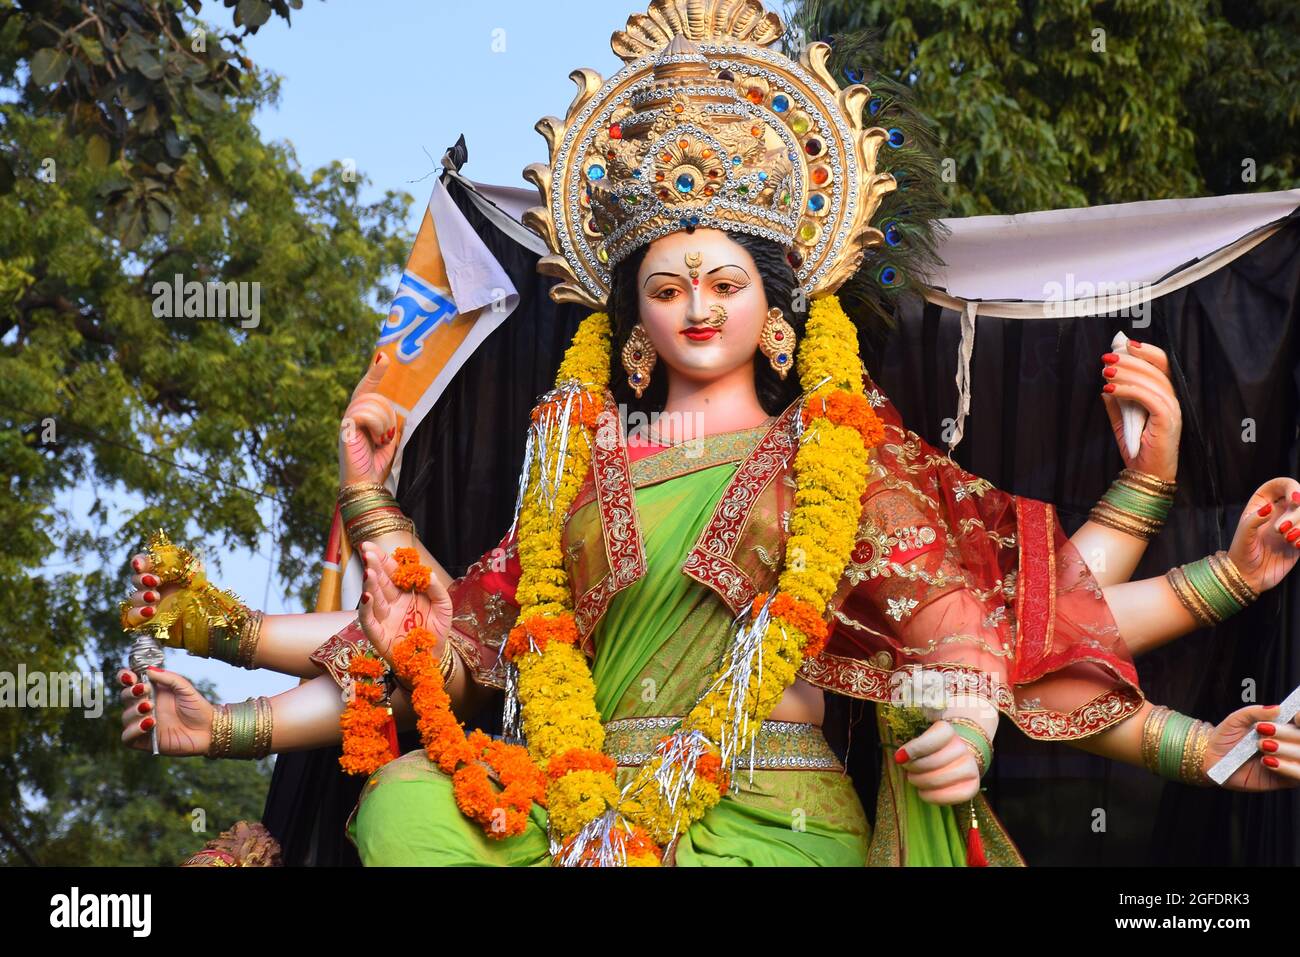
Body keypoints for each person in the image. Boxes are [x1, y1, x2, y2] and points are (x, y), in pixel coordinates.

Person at [116, 1, 1300, 866]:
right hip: (573, 810)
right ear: (630, 317)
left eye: (724, 282)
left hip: (761, 813)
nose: (695, 306)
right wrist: (223, 688)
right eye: (669, 284)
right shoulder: (569, 478)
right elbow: (431, 648)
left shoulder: (842, 458)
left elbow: (1000, 629)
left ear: (775, 313)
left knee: (925, 699)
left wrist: (1203, 688)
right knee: (405, 807)